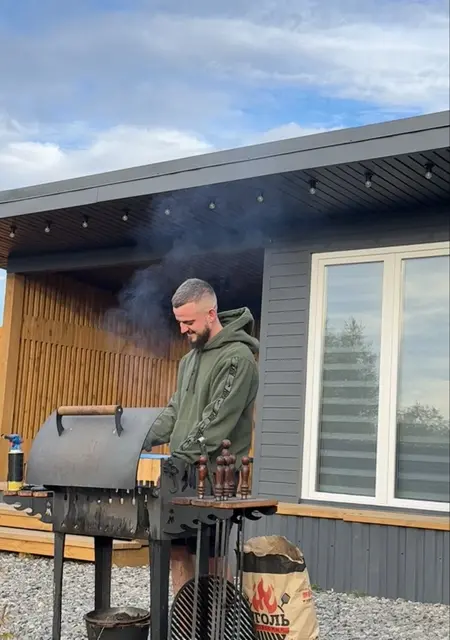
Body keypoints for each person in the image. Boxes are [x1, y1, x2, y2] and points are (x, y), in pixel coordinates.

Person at [143, 277, 259, 594]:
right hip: (180, 470)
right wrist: (137, 439)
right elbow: (174, 412)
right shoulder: (188, 361)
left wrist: (179, 456)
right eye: (179, 322)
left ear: (210, 314)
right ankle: (184, 618)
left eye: (189, 322)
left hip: (216, 476)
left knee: (211, 558)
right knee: (177, 551)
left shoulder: (237, 359)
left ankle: (217, 618)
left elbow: (215, 421)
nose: (183, 330)